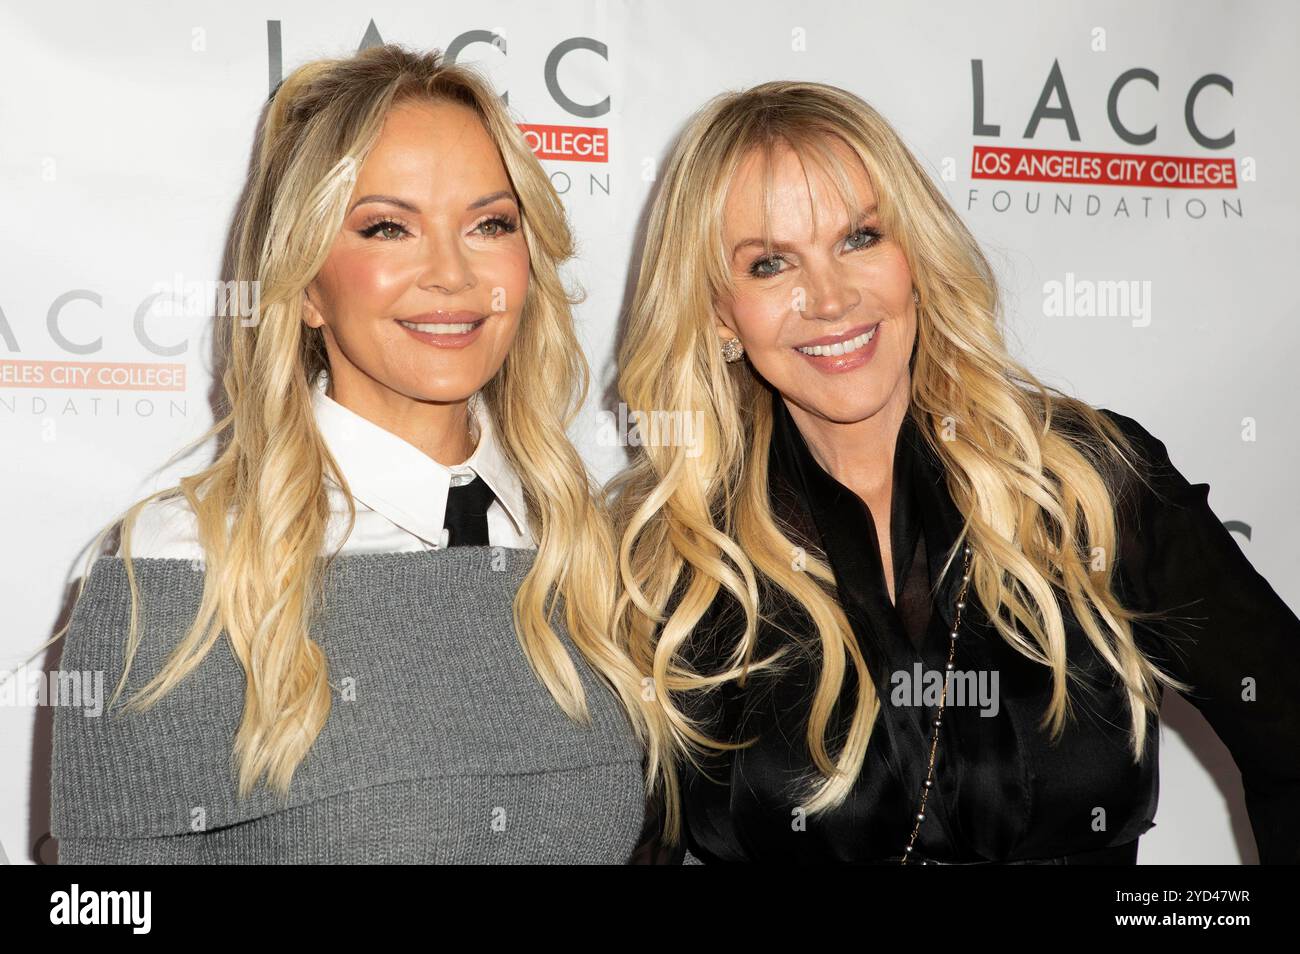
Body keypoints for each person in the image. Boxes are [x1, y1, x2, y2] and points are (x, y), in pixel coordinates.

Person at [611, 80, 1300, 864]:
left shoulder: (1085, 485)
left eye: (860, 238)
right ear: (718, 314)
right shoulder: (673, 562)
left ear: (915, 254)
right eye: (771, 263)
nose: (831, 298)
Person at [48, 44, 651, 864]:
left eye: (490, 224)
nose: (451, 273)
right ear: (303, 286)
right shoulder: (184, 562)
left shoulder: (588, 553)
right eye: (388, 227)